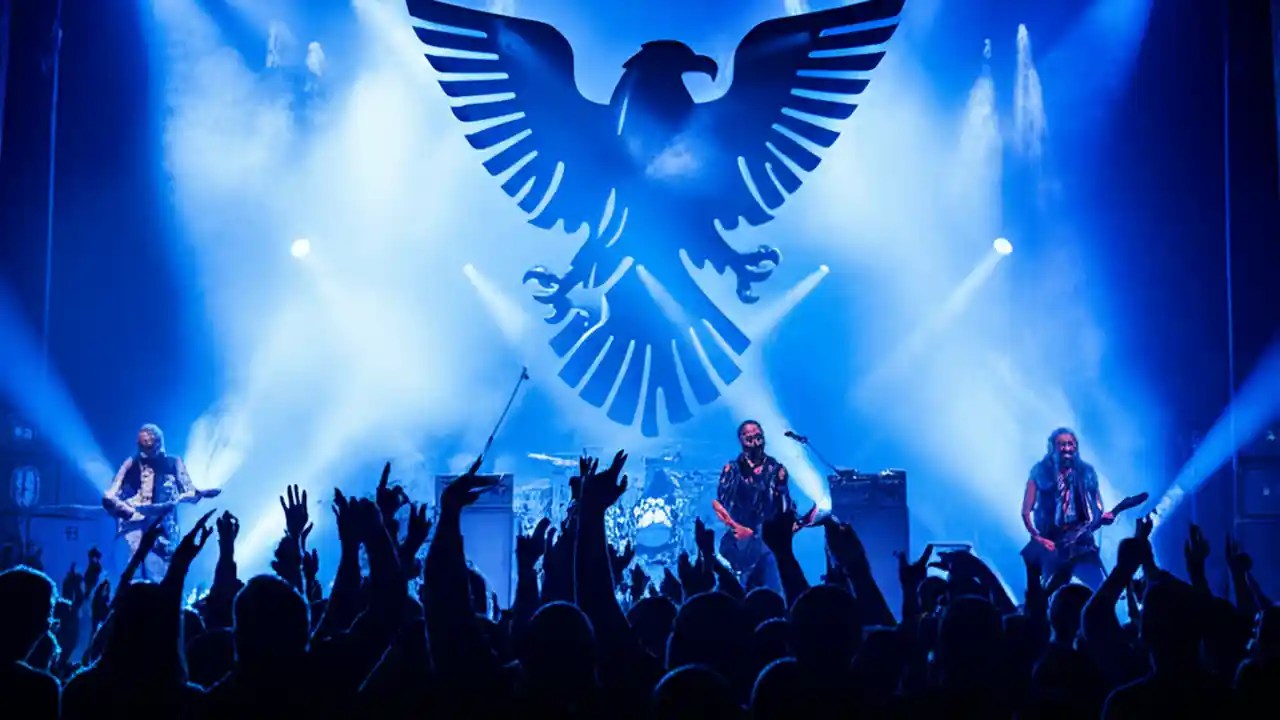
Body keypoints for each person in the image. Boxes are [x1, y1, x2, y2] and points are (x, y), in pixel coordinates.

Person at [102, 424, 218, 581]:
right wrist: (116, 504)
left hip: (161, 524)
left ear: (158, 443)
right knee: (132, 571)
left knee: (158, 572)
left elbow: (188, 489)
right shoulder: (131, 463)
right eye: (142, 444)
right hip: (135, 520)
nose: (145, 449)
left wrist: (198, 494)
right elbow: (113, 490)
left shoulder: (173, 463)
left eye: (148, 443)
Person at [1020, 428, 1113, 589]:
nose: (1067, 449)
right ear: (1052, 447)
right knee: (1050, 591)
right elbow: (1025, 511)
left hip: (1081, 542)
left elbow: (1097, 504)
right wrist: (1039, 538)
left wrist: (1101, 517)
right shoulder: (1040, 471)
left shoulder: (1087, 472)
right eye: (1062, 445)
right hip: (1051, 543)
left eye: (1070, 444)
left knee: (1099, 589)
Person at [711, 421, 797, 591]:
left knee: (773, 585)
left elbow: (784, 506)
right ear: (741, 439)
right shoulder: (732, 470)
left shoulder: (775, 469)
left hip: (767, 538)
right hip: (740, 540)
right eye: (748, 435)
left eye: (757, 435)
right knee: (742, 587)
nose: (753, 439)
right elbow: (719, 504)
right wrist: (736, 527)